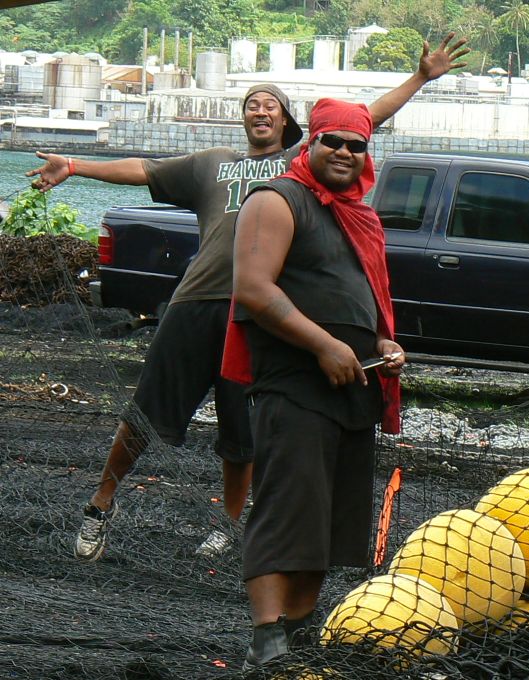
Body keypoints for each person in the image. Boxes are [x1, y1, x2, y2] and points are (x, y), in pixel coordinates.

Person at [26, 34, 468, 561]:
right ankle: (101, 503)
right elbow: (143, 169)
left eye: (271, 104)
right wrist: (74, 166)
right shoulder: (212, 162)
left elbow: (360, 120)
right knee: (146, 411)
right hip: (196, 300)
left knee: (240, 430)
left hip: (254, 312)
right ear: (243, 119)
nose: (260, 110)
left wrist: (420, 78)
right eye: (251, 104)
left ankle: (231, 524)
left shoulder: (301, 163)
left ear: (288, 123)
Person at [226, 97, 404, 668]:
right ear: (311, 144)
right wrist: (323, 345)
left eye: (357, 146)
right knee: (287, 508)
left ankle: (298, 633)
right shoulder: (278, 200)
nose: (346, 153)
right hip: (295, 384)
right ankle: (267, 639)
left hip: (353, 392)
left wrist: (381, 345)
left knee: (328, 521)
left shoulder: (359, 217)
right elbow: (254, 288)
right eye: (334, 142)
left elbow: (362, 307)